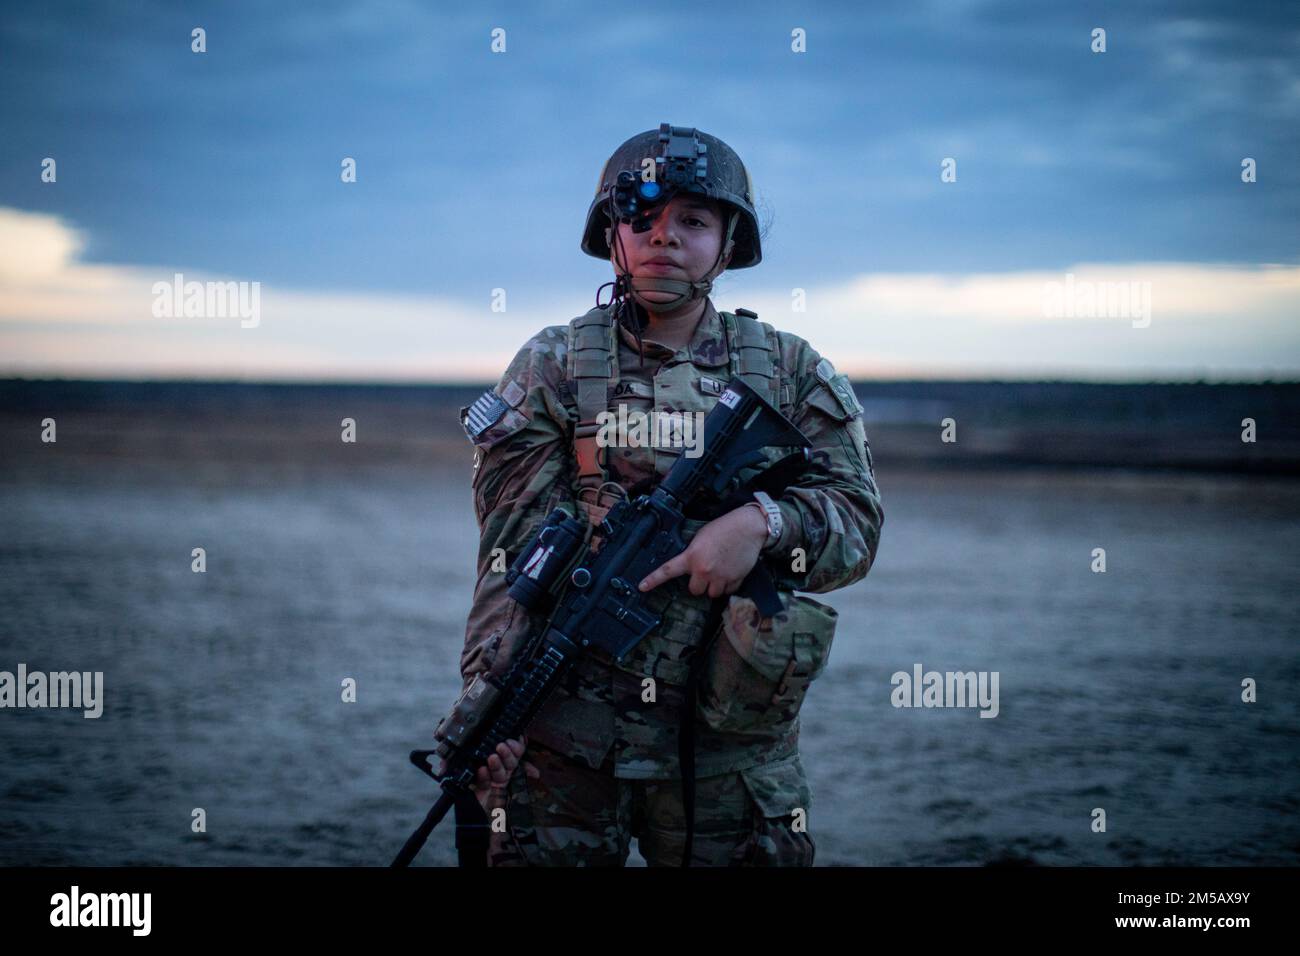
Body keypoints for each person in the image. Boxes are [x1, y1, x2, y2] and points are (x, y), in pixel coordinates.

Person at [446, 124, 884, 866]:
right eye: (641, 219)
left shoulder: (789, 370)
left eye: (693, 220)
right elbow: (511, 559)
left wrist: (762, 522)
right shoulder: (554, 364)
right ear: (610, 235)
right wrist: (496, 705)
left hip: (730, 745)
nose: (664, 239)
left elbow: (858, 525)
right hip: (565, 741)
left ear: (729, 240)